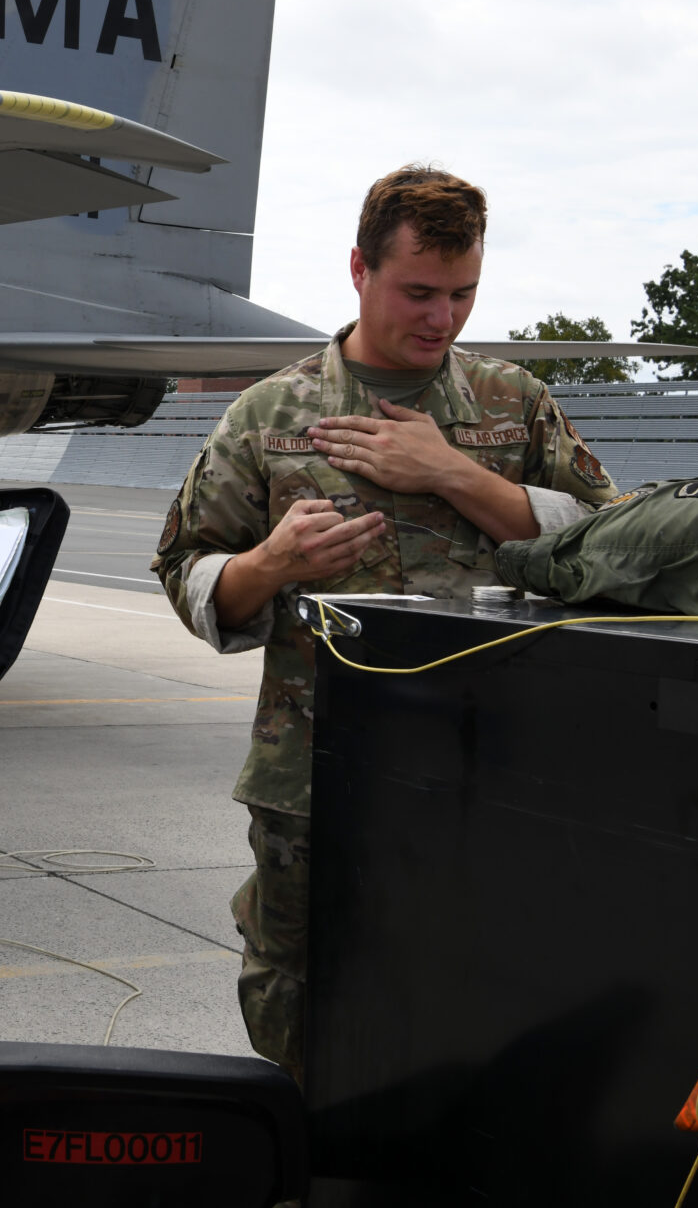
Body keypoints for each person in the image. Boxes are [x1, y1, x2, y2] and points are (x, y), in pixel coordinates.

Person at [151, 164, 617, 1079]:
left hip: (494, 767)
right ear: (360, 270)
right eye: (418, 292)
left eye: (462, 293)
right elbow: (187, 572)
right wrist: (270, 565)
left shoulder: (513, 407)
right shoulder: (269, 415)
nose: (442, 318)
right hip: (314, 776)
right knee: (301, 998)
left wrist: (454, 474)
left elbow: (615, 543)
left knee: (492, 994)